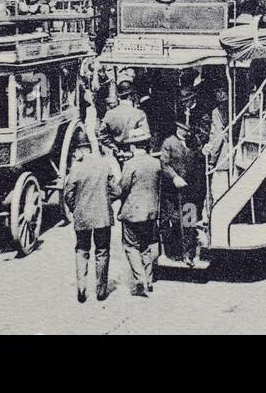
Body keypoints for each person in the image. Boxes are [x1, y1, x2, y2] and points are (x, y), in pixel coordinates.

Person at [62, 136, 120, 303]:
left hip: (82, 217)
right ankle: (101, 291)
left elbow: (68, 194)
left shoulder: (76, 168)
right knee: (102, 251)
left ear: (81, 150)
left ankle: (81, 290)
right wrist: (106, 202)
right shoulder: (104, 165)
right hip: (102, 217)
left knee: (82, 250)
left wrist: (76, 208)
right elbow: (116, 191)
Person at [117, 136, 161, 297]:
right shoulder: (155, 163)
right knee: (146, 247)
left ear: (133, 146)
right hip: (150, 212)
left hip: (132, 213)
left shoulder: (130, 165)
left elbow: (122, 188)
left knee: (130, 246)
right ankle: (149, 281)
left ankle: (140, 280)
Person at [157, 120, 194, 265]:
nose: (188, 132)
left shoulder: (193, 142)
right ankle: (175, 252)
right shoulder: (169, 143)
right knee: (175, 220)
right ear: (179, 128)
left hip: (190, 189)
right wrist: (175, 177)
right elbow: (164, 164)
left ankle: (189, 254)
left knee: (189, 220)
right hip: (173, 190)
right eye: (185, 129)